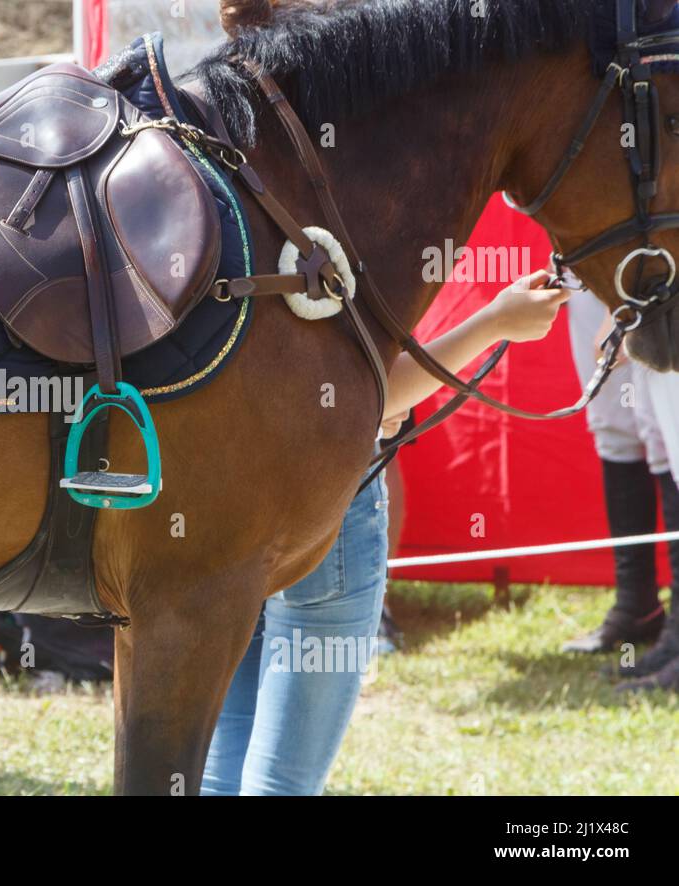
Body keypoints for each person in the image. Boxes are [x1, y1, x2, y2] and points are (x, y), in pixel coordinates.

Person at [203, 271, 571, 796]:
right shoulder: (328, 215)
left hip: (217, 493)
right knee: (280, 780)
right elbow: (371, 393)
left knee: (221, 773)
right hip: (319, 494)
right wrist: (494, 322)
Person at [562, 279, 677, 662]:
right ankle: (637, 604)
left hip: (640, 256)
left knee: (666, 435)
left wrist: (619, 307)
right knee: (616, 427)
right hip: (582, 253)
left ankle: (676, 631)